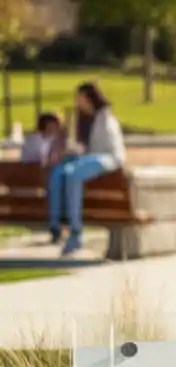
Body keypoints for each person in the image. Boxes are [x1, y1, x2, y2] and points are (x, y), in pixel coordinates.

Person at [48, 82, 126, 256]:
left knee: (73, 173)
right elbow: (86, 146)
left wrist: (82, 151)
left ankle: (76, 231)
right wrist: (74, 150)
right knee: (58, 173)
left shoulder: (104, 117)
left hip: (106, 158)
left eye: (80, 98)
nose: (77, 101)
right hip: (89, 157)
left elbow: (107, 148)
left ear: (89, 98)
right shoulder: (82, 118)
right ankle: (56, 223)